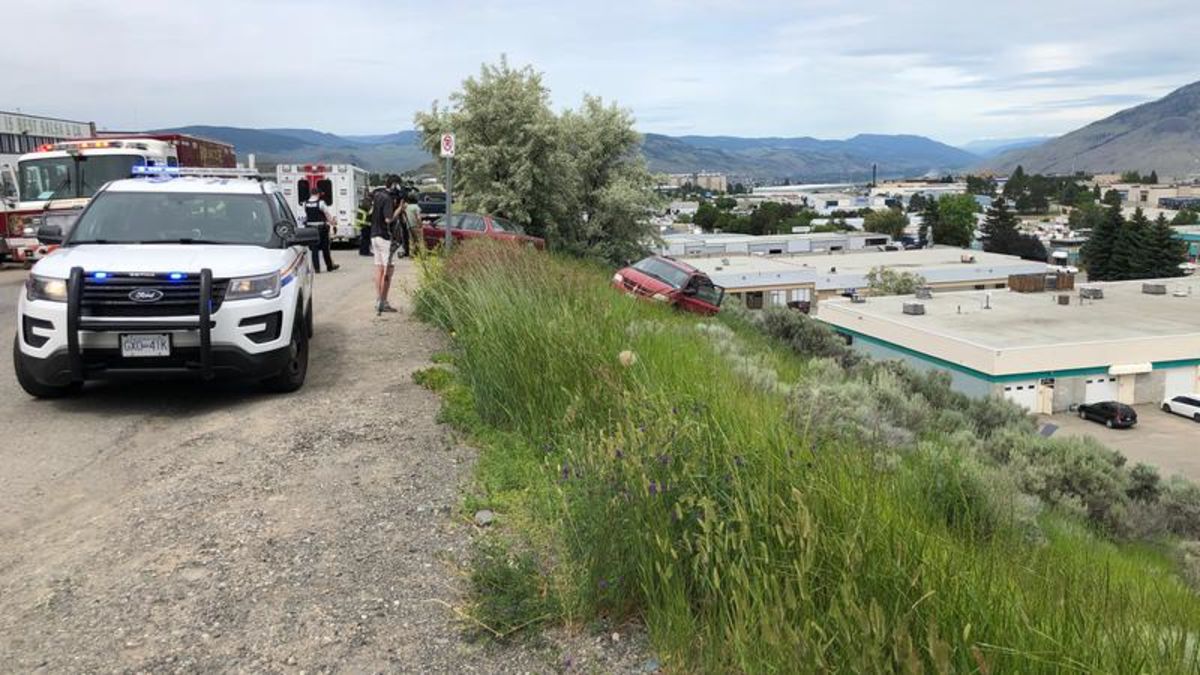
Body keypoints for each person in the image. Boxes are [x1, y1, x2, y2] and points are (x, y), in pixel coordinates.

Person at [370, 177, 400, 313]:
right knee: (388, 269)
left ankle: (378, 299)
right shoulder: (387, 198)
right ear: (394, 185)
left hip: (374, 235)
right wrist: (399, 209)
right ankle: (383, 301)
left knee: (378, 268)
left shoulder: (377, 196)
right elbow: (388, 219)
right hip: (384, 237)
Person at [303, 188, 340, 272]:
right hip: (321, 228)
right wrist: (333, 223)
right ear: (318, 194)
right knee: (325, 248)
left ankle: (317, 268)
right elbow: (327, 214)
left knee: (314, 249)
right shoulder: (321, 203)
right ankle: (329, 266)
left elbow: (307, 215)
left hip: (310, 228)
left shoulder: (305, 203)